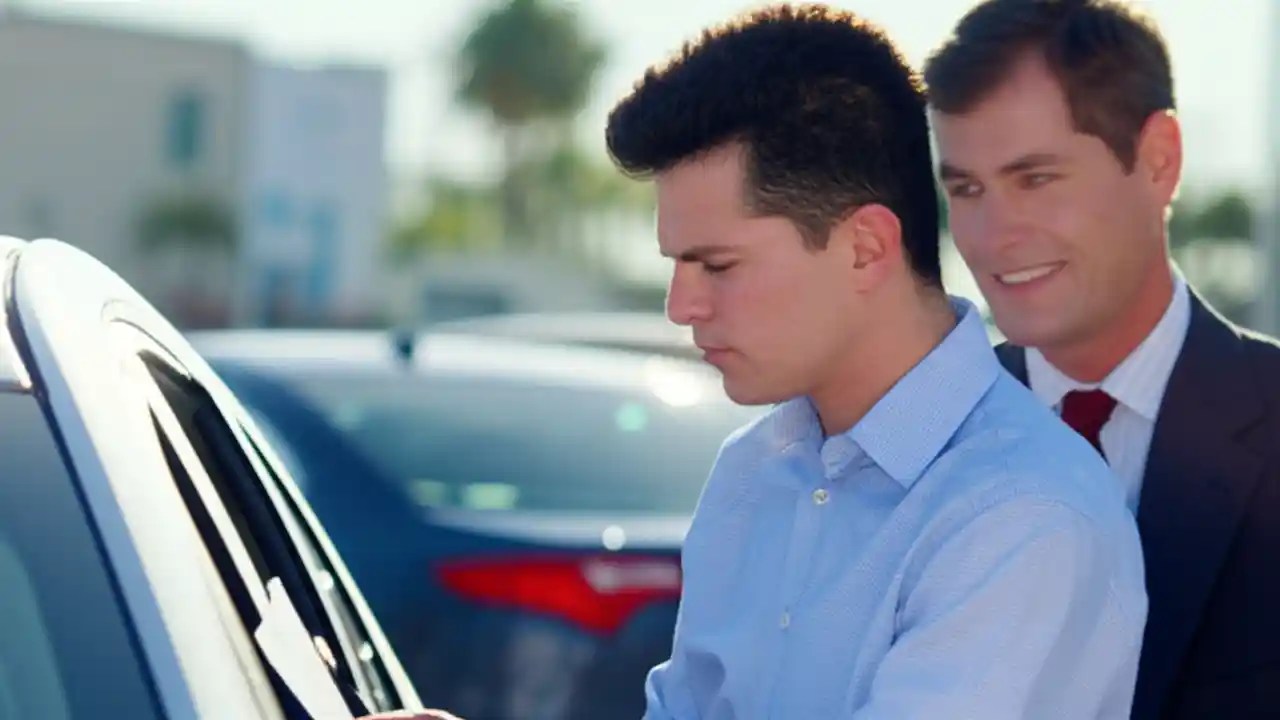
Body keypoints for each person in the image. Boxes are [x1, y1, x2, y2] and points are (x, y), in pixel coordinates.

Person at [603, 5, 1146, 718]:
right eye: (677, 265)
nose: (682, 306)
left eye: (717, 265)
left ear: (865, 248)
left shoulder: (1024, 517)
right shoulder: (755, 471)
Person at [925, 1, 1280, 718]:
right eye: (965, 189)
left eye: (1036, 179)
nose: (992, 237)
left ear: (1158, 161)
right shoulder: (923, 437)